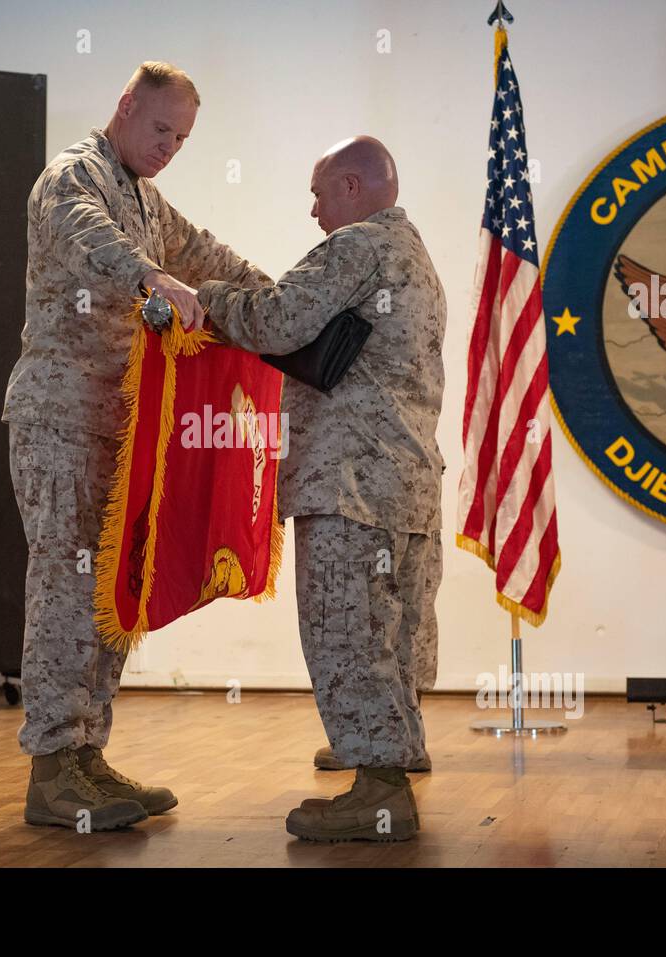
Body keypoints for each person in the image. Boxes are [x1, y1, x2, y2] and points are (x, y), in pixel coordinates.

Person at [2, 62, 270, 830]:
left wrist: (281, 307)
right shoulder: (71, 178)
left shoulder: (149, 200)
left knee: (115, 585)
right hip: (60, 417)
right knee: (63, 586)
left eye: (183, 138)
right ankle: (51, 767)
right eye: (161, 129)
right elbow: (96, 245)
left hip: (123, 428)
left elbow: (212, 257)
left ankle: (88, 754)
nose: (170, 148)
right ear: (125, 106)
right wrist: (154, 277)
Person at [194, 136, 446, 841]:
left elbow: (276, 320)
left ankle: (380, 792)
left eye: (317, 192)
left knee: (346, 630)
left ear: (354, 186)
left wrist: (206, 297)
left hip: (351, 481)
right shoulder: (415, 257)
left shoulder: (358, 247)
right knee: (388, 631)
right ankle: (390, 753)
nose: (311, 210)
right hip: (403, 481)